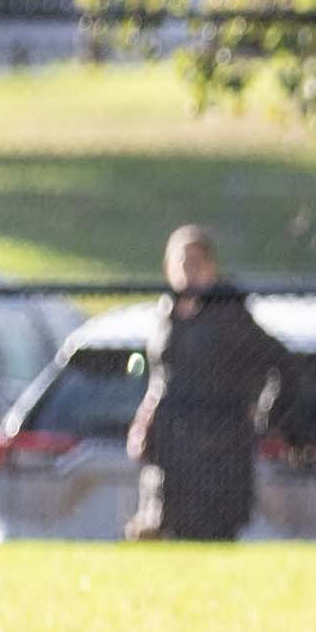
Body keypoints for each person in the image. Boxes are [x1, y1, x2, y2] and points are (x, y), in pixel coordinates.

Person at [125, 226, 295, 542]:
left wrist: (266, 418)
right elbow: (161, 377)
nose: (187, 272)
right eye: (180, 263)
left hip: (218, 449)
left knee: (209, 538)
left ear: (211, 268)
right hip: (171, 447)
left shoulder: (229, 315)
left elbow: (282, 364)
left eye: (195, 263)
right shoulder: (166, 314)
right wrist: (145, 419)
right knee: (161, 533)